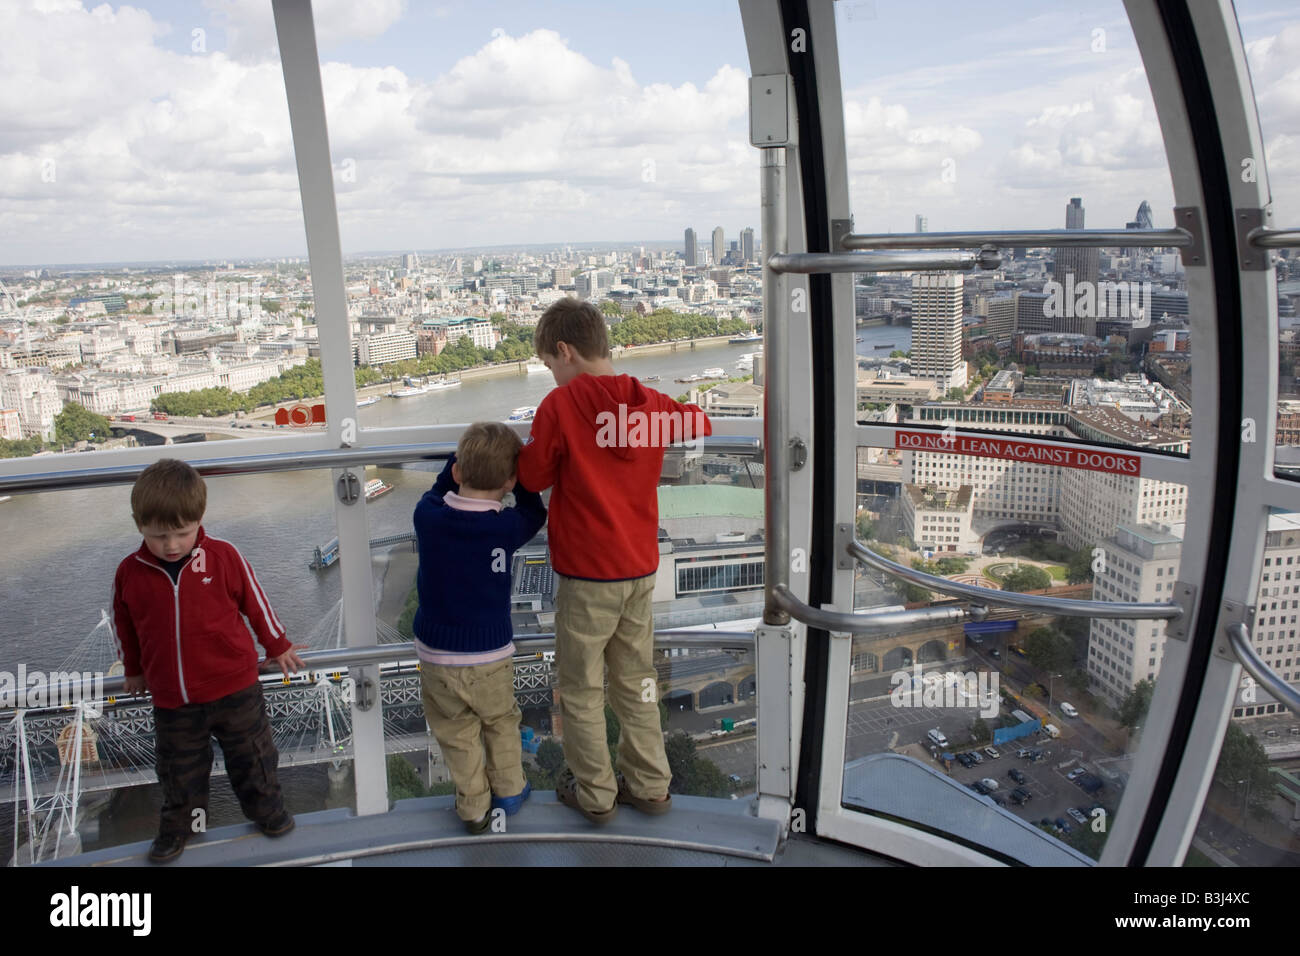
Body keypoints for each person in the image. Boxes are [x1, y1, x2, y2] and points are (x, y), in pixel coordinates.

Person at [518, 298, 712, 823]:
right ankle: (651, 784)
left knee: (581, 691)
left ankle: (595, 794)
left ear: (565, 351)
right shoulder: (648, 402)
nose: (552, 376)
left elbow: (533, 476)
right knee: (638, 681)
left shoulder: (560, 408)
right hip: (640, 569)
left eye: (550, 365)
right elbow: (698, 422)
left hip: (586, 575)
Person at [111, 459, 305, 864]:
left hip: (235, 686)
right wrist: (133, 669)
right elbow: (126, 627)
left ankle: (267, 812)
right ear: (139, 526)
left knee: (253, 757)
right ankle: (186, 827)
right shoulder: (130, 573)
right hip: (172, 698)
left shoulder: (222, 557)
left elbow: (255, 603)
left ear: (199, 519)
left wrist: (278, 645)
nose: (171, 545)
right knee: (180, 772)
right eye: (158, 536)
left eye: (182, 533)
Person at [413, 422, 547, 833]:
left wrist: (459, 463)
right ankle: (509, 789)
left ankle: (473, 807)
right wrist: (519, 478)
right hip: (490, 654)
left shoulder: (429, 518)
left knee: (456, 731)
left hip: (436, 654)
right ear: (509, 481)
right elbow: (535, 511)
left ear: (456, 471)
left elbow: (436, 492)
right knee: (501, 722)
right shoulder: (505, 527)